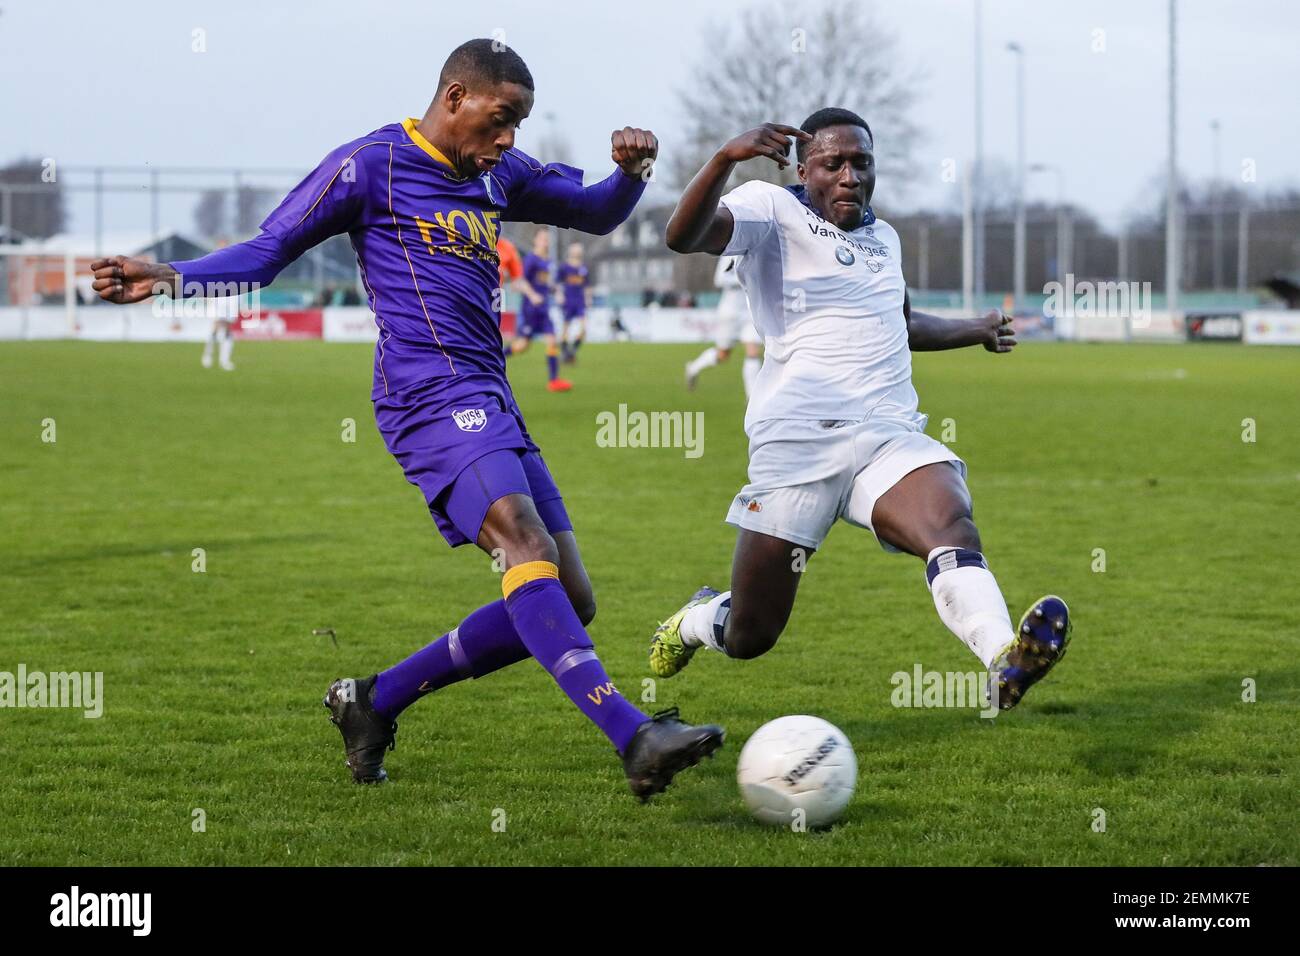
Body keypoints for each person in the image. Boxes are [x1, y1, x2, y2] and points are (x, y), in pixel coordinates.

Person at [90, 38, 723, 796]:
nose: (508, 140)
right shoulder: (372, 165)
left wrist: (632, 172)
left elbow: (594, 213)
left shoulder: (499, 175)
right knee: (524, 544)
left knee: (572, 599)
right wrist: (169, 275)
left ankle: (373, 701)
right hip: (425, 393)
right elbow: (267, 253)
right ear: (455, 98)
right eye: (498, 119)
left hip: (490, 396)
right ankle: (635, 735)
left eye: (518, 124)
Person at [651, 110, 1071, 712]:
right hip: (796, 442)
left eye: (861, 163)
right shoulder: (771, 209)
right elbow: (683, 236)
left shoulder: (886, 239)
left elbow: (899, 326)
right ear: (804, 169)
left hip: (885, 434)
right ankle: (696, 619)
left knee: (950, 523)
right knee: (751, 634)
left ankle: (1003, 656)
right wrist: (724, 159)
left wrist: (973, 329)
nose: (849, 176)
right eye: (833, 163)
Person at [684, 254, 762, 395]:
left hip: (750, 311)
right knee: (723, 354)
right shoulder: (730, 255)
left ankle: (752, 398)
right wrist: (743, 278)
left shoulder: (755, 252)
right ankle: (693, 367)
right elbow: (719, 280)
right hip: (730, 312)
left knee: (753, 351)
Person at [508, 229, 571, 391]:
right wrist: (532, 294)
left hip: (544, 309)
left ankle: (553, 381)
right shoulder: (530, 259)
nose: (546, 242)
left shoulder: (548, 262)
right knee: (522, 345)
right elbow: (520, 281)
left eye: (547, 239)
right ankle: (495, 357)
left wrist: (557, 292)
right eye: (543, 239)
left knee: (552, 340)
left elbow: (546, 284)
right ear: (535, 240)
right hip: (531, 308)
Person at [555, 242, 591, 363]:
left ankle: (572, 351)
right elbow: (558, 282)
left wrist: (588, 298)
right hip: (568, 300)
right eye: (576, 249)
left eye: (579, 249)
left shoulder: (583, 268)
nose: (578, 251)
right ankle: (566, 353)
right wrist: (559, 294)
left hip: (580, 301)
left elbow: (587, 285)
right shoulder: (564, 267)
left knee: (584, 328)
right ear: (571, 251)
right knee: (565, 328)